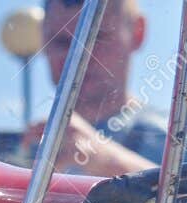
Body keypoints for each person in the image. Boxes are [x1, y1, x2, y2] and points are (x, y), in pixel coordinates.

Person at [31, 0, 167, 174]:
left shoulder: (174, 139)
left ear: (137, 32)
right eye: (62, 42)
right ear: (44, 42)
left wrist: (107, 160)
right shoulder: (28, 150)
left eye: (95, 37)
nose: (77, 58)